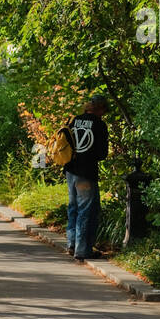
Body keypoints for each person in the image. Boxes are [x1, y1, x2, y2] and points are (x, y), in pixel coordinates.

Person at [64, 94, 109, 261]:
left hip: (70, 170)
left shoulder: (74, 120)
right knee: (85, 210)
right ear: (101, 109)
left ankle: (71, 244)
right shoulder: (99, 124)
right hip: (86, 173)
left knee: (73, 207)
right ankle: (82, 250)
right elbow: (102, 153)